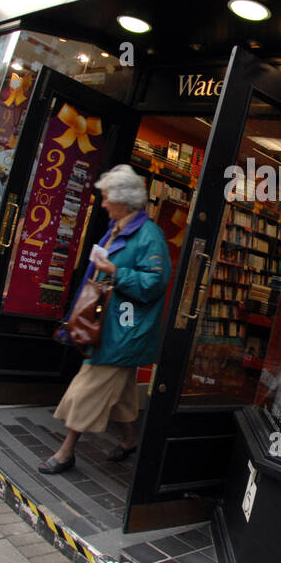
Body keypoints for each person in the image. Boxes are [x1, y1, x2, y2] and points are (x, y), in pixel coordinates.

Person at [39, 164, 171, 474]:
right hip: (109, 324)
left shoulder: (149, 235)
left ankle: (66, 451)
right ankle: (130, 440)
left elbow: (155, 283)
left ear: (123, 199)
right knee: (120, 393)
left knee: (88, 387)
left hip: (124, 330)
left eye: (107, 196)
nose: (103, 203)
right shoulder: (119, 228)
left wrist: (116, 272)